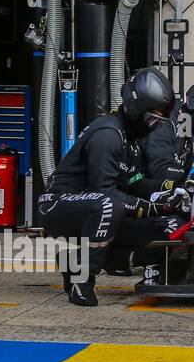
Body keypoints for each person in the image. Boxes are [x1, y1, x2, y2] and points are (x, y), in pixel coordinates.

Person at [38, 68, 185, 305]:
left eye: (160, 122)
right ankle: (82, 280)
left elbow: (134, 183)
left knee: (169, 228)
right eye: (152, 120)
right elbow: (104, 191)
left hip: (96, 206)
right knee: (109, 206)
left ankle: (73, 260)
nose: (154, 127)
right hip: (58, 205)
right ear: (136, 108)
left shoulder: (132, 142)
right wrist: (149, 207)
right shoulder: (108, 134)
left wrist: (170, 193)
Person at [114, 74, 194, 276]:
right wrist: (193, 175)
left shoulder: (184, 127)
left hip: (157, 196)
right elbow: (161, 171)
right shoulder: (166, 123)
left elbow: (182, 173)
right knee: (178, 227)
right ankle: (118, 258)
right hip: (136, 197)